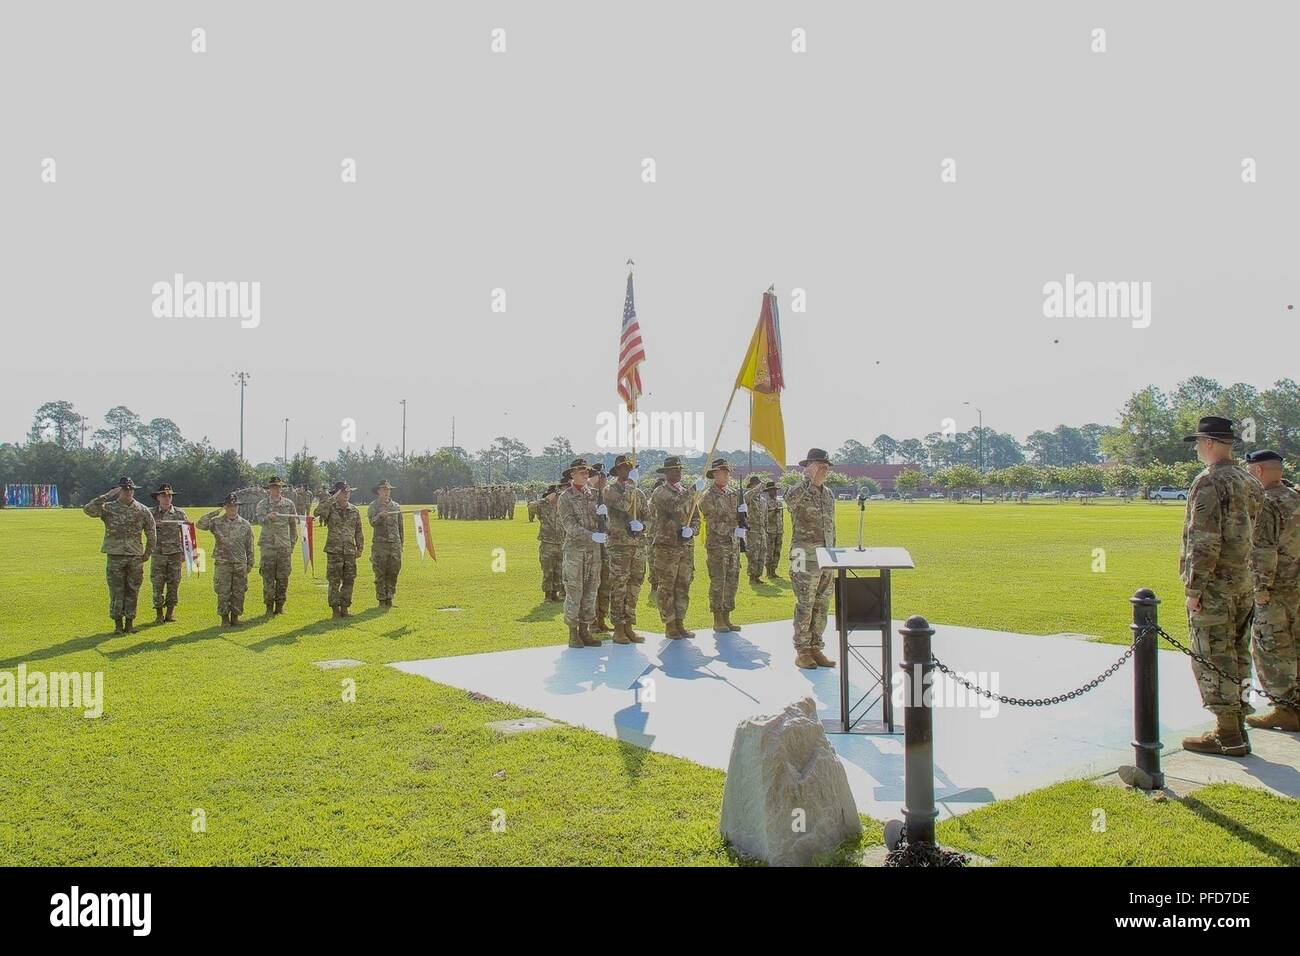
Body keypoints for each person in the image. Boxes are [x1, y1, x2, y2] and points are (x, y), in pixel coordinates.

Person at [1179, 417, 1255, 756]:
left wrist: (1194, 589)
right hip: (1244, 583)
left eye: (1198, 442)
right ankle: (1238, 726)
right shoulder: (1249, 481)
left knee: (1211, 656)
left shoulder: (1210, 482)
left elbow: (1204, 539)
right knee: (1239, 654)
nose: (1197, 448)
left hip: (1216, 587)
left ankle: (1227, 733)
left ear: (1209, 442)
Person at [1243, 449, 1300, 732]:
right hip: (1297, 586)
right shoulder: (1295, 497)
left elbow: (1262, 550)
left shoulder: (1266, 503)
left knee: (1270, 647)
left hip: (1276, 589)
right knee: (1296, 647)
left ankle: (1284, 709)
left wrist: (1261, 588)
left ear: (1258, 472)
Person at [83, 477, 156, 634]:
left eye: (130, 489)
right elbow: (88, 509)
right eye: (124, 489)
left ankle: (129, 623)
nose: (128, 492)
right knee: (116, 591)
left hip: (135, 556)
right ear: (118, 491)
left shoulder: (142, 510)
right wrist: (106, 496)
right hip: (115, 555)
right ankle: (117, 624)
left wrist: (148, 552)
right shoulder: (108, 507)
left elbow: (151, 532)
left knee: (133, 590)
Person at [786, 449, 838, 669]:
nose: (824, 471)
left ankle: (816, 647)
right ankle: (802, 651)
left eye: (826, 467)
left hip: (826, 556)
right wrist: (806, 478)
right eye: (820, 467)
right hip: (802, 555)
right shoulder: (798, 491)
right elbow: (788, 501)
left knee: (822, 603)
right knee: (805, 603)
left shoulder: (828, 494)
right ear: (809, 468)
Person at [650, 456, 699, 638]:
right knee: (667, 586)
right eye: (674, 470)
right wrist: (693, 490)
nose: (678, 472)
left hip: (685, 546)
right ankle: (669, 624)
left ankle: (680, 622)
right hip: (667, 546)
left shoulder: (685, 492)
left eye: (680, 470)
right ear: (666, 473)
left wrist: (692, 530)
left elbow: (696, 517)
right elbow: (673, 505)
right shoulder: (660, 492)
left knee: (683, 585)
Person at [602, 454, 648, 644]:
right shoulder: (609, 490)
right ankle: (618, 627)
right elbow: (624, 504)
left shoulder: (639, 493)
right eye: (623, 467)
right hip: (619, 546)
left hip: (638, 546)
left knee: (634, 586)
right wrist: (631, 484)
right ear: (617, 470)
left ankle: (629, 624)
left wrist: (643, 526)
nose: (627, 470)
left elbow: (649, 517)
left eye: (630, 467)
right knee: (619, 586)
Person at [557, 458, 604, 648]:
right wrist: (592, 535)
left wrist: (604, 517)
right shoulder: (565, 497)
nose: (586, 475)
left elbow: (602, 524)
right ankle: (573, 632)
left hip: (594, 552)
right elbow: (570, 526)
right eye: (581, 472)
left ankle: (586, 629)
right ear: (572, 475)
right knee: (574, 591)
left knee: (591, 590)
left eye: (587, 472)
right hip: (575, 551)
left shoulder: (594, 495)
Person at [196, 492, 255, 627]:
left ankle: (235, 617)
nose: (233, 508)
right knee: (223, 591)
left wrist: (250, 563)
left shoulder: (245, 524)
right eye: (229, 506)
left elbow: (249, 544)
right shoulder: (216, 522)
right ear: (225, 507)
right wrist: (216, 512)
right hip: (223, 562)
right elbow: (200, 524)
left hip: (240, 562)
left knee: (239, 591)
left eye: (235, 506)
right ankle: (224, 619)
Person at [698, 458, 743, 633]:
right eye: (723, 471)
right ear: (714, 474)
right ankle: (717, 618)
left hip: (733, 545)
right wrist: (733, 529)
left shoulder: (733, 493)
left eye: (727, 471)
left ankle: (727, 616)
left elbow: (737, 517)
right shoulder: (708, 496)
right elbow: (713, 521)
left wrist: (742, 524)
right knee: (719, 581)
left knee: (732, 581)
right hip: (717, 545)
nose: (726, 474)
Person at [315, 481, 365, 618]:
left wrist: (360, 547)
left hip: (349, 551)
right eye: (343, 492)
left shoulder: (354, 510)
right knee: (334, 581)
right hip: (334, 551)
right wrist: (332, 497)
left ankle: (345, 608)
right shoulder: (330, 508)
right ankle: (335, 610)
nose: (347, 495)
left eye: (348, 492)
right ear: (337, 494)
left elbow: (358, 530)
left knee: (349, 580)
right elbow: (317, 512)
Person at [254, 475, 298, 616]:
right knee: (268, 578)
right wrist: (268, 517)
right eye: (274, 487)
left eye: (279, 487)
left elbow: (293, 525)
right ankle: (268, 607)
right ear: (269, 489)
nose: (277, 489)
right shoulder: (262, 504)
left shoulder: (289, 504)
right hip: (268, 547)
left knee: (283, 577)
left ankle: (280, 606)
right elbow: (259, 520)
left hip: (284, 547)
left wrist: (291, 544)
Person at [147, 483, 187, 623]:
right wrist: (154, 525)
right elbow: (140, 528)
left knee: (174, 584)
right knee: (157, 585)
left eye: (169, 495)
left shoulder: (179, 513)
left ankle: (170, 613)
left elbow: (186, 534)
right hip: (158, 554)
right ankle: (158, 614)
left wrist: (185, 554)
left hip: (175, 555)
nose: (167, 498)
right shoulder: (150, 513)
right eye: (164, 495)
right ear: (158, 497)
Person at [368, 480, 404, 608]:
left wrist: (401, 545)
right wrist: (379, 516)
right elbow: (372, 522)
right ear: (378, 491)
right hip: (380, 545)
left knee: (393, 571)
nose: (386, 492)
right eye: (384, 490)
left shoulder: (396, 506)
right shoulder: (373, 506)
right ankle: (381, 600)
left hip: (395, 544)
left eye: (388, 490)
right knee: (380, 572)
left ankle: (390, 598)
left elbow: (400, 527)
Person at [589, 462, 613, 633]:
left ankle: (602, 618)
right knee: (592, 586)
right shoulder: (586, 495)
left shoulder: (608, 496)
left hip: (606, 547)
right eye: (601, 476)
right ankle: (592, 621)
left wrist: (608, 516)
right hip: (590, 548)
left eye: (605, 477)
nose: (604, 480)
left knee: (606, 585)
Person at [533, 484, 563, 601]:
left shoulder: (562, 506)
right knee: (548, 570)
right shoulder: (543, 506)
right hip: (547, 543)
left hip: (561, 542)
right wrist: (546, 499)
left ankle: (555, 593)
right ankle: (547, 595)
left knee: (558, 570)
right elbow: (530, 507)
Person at [744, 475, 768, 584]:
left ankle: (758, 575)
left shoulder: (763, 500)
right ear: (752, 486)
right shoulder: (748, 497)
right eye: (756, 485)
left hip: (762, 531)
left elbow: (765, 516)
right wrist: (756, 488)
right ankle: (752, 577)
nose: (759, 488)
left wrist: (765, 531)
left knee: (762, 554)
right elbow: (748, 495)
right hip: (752, 531)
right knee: (753, 554)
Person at [764, 480, 784, 579]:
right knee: (770, 552)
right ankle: (768, 572)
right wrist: (773, 513)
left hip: (779, 531)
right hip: (770, 531)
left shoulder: (779, 502)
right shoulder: (765, 503)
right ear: (768, 491)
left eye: (775, 490)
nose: (775, 492)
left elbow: (782, 517)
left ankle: (774, 570)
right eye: (772, 490)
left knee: (777, 552)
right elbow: (765, 518)